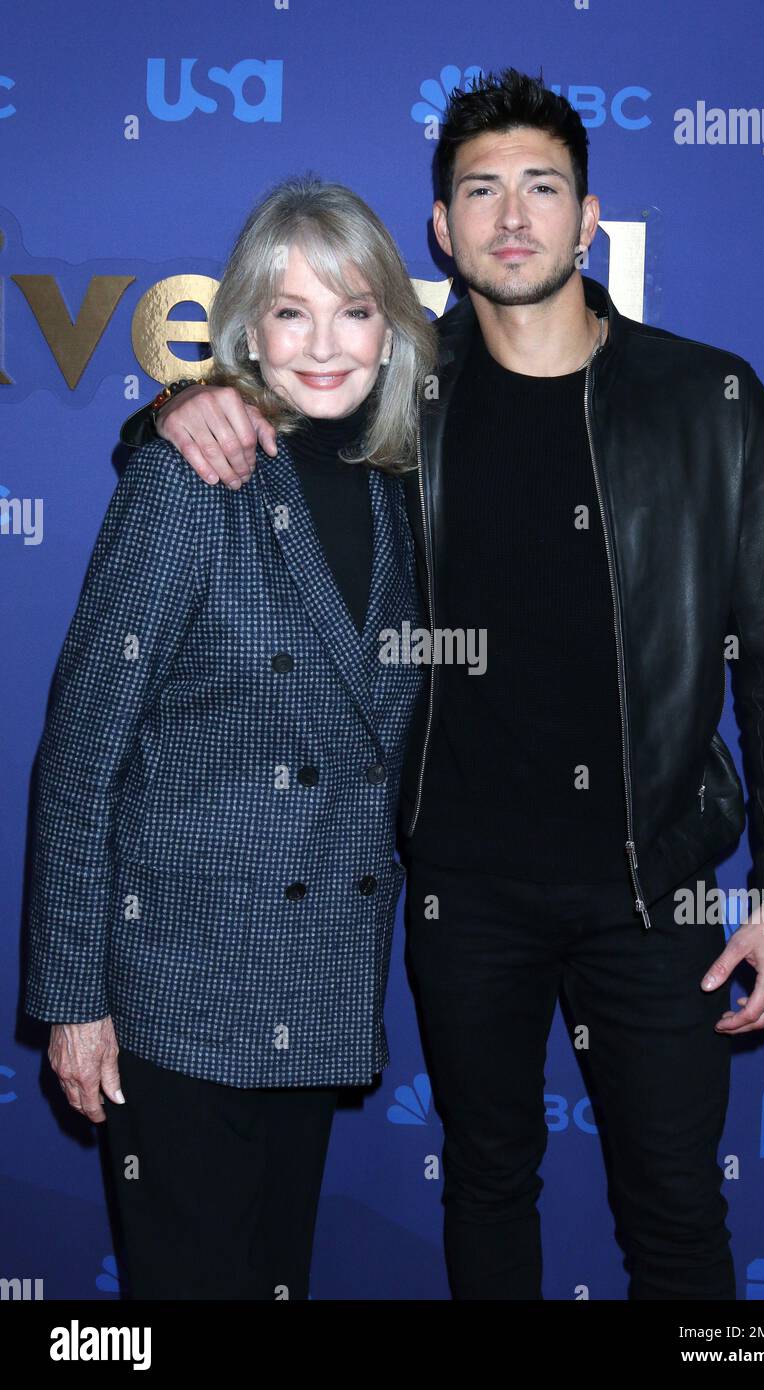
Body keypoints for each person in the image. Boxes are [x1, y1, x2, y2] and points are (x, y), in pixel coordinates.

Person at [117, 70, 764, 1301]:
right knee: (487, 1189)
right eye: (480, 191)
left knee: (676, 1219)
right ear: (443, 230)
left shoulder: (705, 399)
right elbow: (253, 418)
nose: (513, 216)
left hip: (652, 876)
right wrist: (173, 412)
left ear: (588, 217)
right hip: (463, 885)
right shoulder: (400, 390)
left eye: (541, 188)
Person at [25, 175, 436, 1300]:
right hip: (175, 991)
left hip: (316, 984)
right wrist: (73, 998)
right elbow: (78, 752)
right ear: (247, 327)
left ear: (390, 327)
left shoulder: (404, 485)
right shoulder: (190, 477)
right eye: (290, 311)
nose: (322, 343)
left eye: (352, 310)